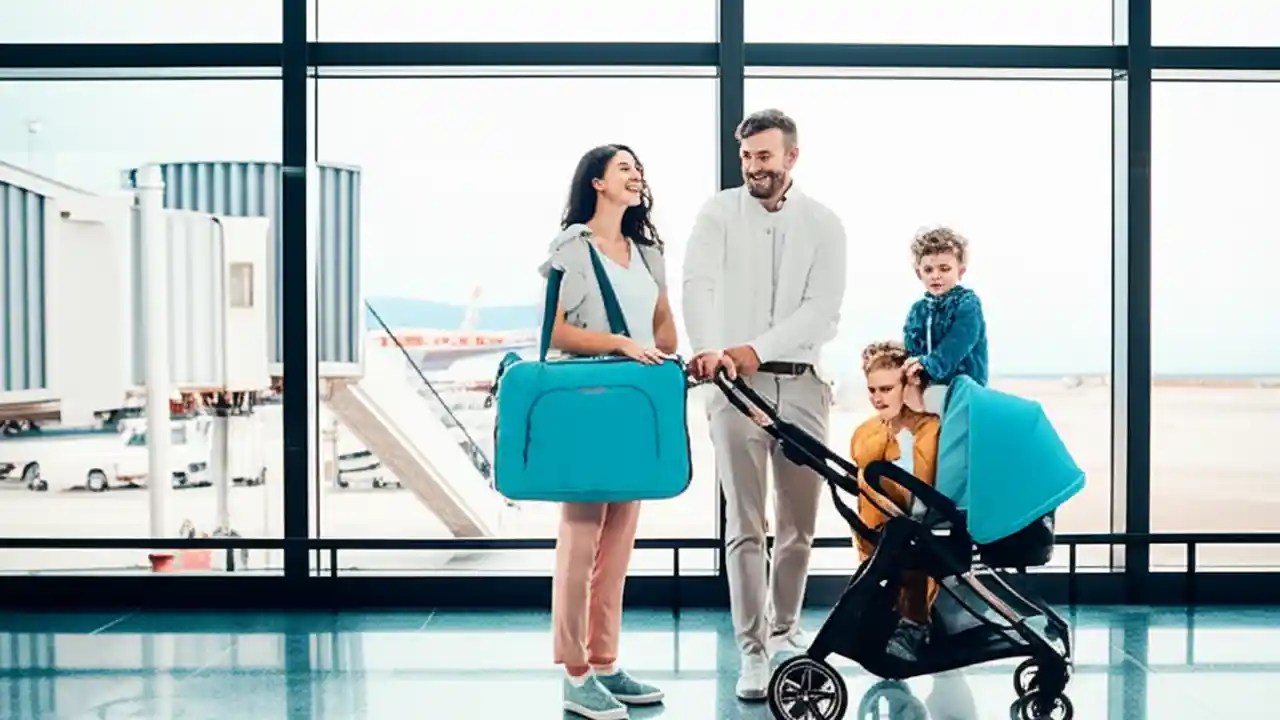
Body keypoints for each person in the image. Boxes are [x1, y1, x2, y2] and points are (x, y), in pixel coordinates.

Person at [682, 108, 848, 700]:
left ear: (791, 157)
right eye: (747, 156)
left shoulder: (824, 223)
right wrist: (710, 351)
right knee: (745, 527)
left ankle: (785, 633)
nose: (754, 167)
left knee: (799, 525)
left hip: (802, 384)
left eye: (765, 156)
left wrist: (757, 347)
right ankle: (752, 653)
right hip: (731, 389)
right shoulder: (717, 213)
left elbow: (821, 309)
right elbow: (696, 284)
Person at [537, 143, 676, 720]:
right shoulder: (571, 247)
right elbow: (554, 331)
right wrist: (621, 343)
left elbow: (664, 325)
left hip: (632, 406)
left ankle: (605, 660)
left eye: (638, 168)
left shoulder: (648, 252)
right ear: (596, 182)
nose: (636, 175)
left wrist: (659, 350)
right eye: (624, 167)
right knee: (580, 540)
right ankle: (574, 673)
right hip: (586, 404)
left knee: (617, 543)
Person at [849, 341, 942, 662]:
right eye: (872, 390)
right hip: (883, 530)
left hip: (920, 528)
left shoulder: (930, 428)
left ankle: (916, 623)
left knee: (912, 557)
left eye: (887, 389)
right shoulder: (869, 432)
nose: (877, 398)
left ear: (908, 385)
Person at [901, 226, 988, 415]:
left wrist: (928, 364)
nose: (936, 275)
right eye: (928, 269)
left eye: (944, 269)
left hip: (965, 386)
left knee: (933, 400)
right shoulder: (918, 310)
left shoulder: (967, 303)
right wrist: (913, 372)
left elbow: (957, 343)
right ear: (919, 273)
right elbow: (911, 347)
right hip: (932, 386)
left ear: (960, 271)